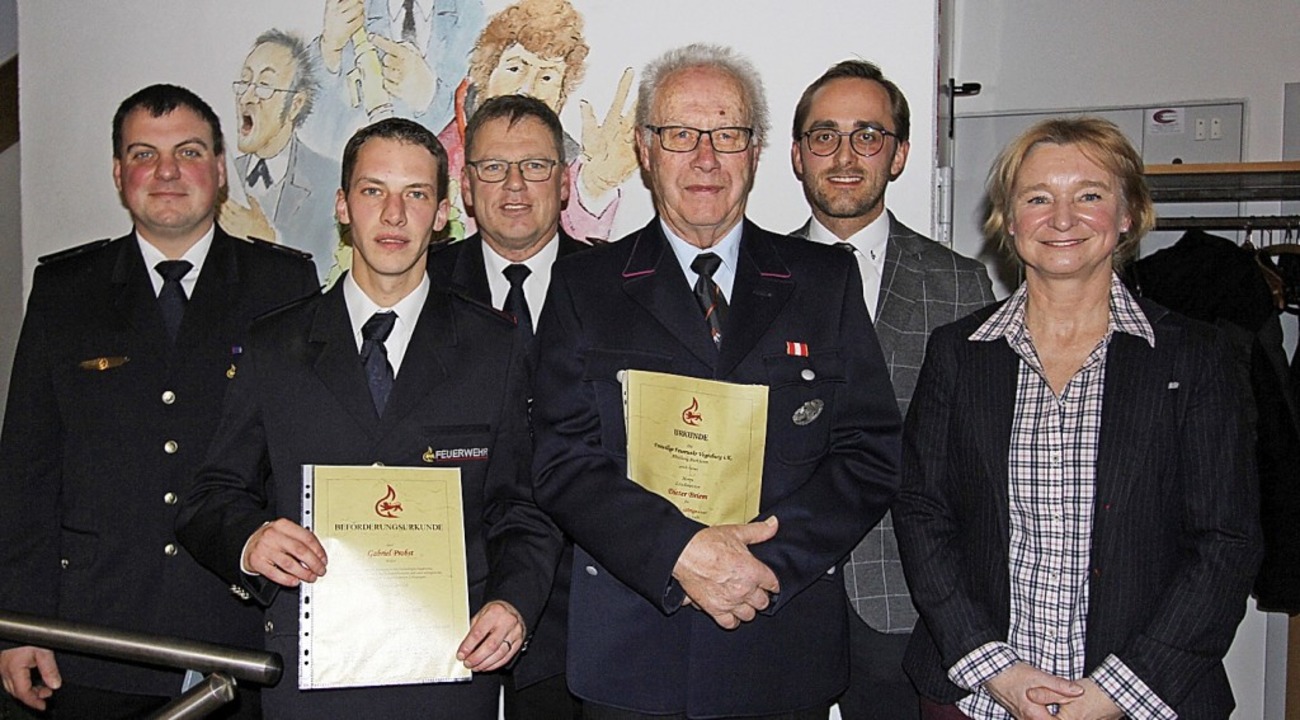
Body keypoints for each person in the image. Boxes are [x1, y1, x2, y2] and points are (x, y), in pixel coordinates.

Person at [531, 43, 902, 719]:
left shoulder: (824, 282)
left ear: (756, 152)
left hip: (779, 646)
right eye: (680, 134)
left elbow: (869, 453)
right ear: (646, 150)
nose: (705, 158)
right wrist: (678, 551)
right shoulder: (586, 286)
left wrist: (763, 563)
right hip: (634, 655)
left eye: (727, 134)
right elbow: (562, 460)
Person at [175, 117, 560, 720]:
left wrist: (514, 603)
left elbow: (522, 508)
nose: (394, 215)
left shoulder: (495, 347)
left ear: (442, 215)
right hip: (311, 678)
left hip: (450, 673)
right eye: (373, 190)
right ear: (342, 205)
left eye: (416, 194)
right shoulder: (274, 345)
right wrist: (250, 541)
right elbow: (209, 497)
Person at [894, 117, 1262, 720]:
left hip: (1147, 700)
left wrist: (1120, 691)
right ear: (1009, 221)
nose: (1062, 219)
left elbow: (1226, 542)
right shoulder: (957, 353)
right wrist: (995, 670)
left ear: (1128, 214)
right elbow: (922, 513)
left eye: (1089, 195)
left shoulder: (1195, 356)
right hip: (979, 699)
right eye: (1038, 198)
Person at [0, 84, 318, 719]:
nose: (167, 171)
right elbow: (28, 470)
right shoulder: (65, 291)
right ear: (119, 174)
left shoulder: (283, 285)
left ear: (220, 170)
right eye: (144, 154)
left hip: (237, 632)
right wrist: (19, 621)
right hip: (92, 636)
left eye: (189, 152)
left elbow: (304, 455)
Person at [788, 59, 994, 720]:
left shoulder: (962, 285)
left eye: (868, 135)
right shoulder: (752, 280)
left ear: (899, 154)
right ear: (798, 155)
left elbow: (977, 458)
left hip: (905, 598)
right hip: (777, 594)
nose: (845, 155)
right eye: (825, 135)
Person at [428, 92, 587, 720]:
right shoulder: (417, 285)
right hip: (444, 600)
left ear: (566, 183)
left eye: (536, 166)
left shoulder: (619, 288)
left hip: (585, 616)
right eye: (493, 167)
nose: (515, 185)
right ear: (466, 187)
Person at [437, 0, 637, 243]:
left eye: (547, 77)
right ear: (486, 73)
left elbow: (575, 254)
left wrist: (594, 187)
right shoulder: (439, 157)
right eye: (514, 69)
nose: (527, 89)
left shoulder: (571, 167)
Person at [221, 29, 341, 282]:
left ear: (295, 104)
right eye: (245, 81)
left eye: (264, 86)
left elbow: (328, 272)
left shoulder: (330, 180)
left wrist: (268, 239)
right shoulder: (220, 178)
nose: (247, 97)